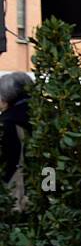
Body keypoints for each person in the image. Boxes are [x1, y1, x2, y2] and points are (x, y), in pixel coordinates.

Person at [0, 71, 33, 206]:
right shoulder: (46, 118)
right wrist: (49, 187)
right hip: (45, 183)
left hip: (14, 193)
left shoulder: (6, 123)